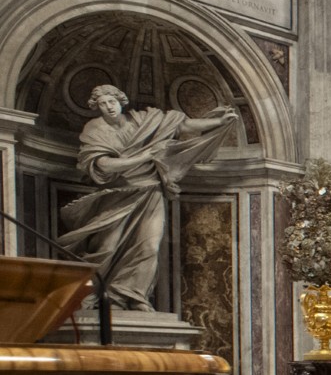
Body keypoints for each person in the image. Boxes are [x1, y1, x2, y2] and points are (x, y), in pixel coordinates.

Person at [55, 84, 238, 309]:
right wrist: (143, 157)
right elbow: (104, 165)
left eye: (112, 101)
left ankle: (130, 296)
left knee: (149, 247)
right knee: (107, 248)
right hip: (117, 195)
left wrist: (218, 122)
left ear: (121, 101)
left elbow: (182, 125)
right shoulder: (95, 129)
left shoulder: (145, 120)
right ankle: (90, 294)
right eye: (102, 104)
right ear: (96, 107)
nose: (109, 107)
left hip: (151, 192)